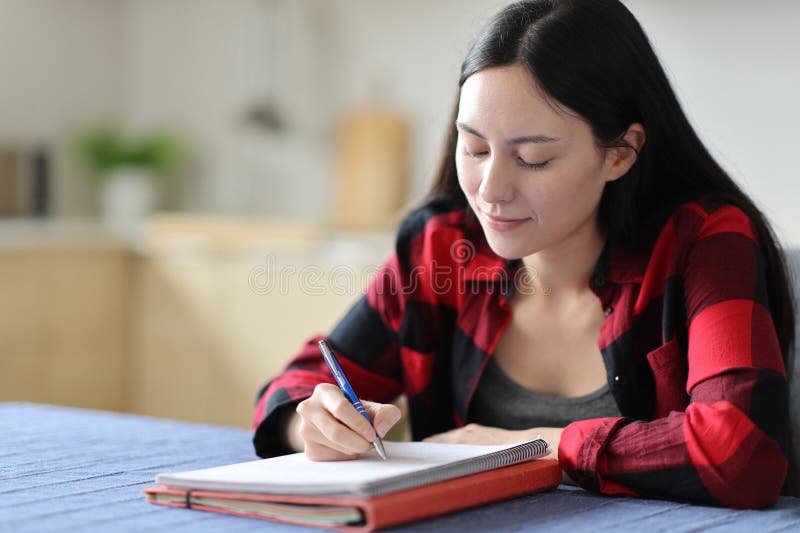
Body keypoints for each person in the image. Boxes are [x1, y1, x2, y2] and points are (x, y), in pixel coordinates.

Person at [253, 0, 795, 508]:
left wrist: (537, 444)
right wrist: (311, 425)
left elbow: (742, 452)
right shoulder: (441, 247)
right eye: (476, 148)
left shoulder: (706, 241)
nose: (491, 188)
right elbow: (296, 383)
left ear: (621, 153)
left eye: (532, 158)